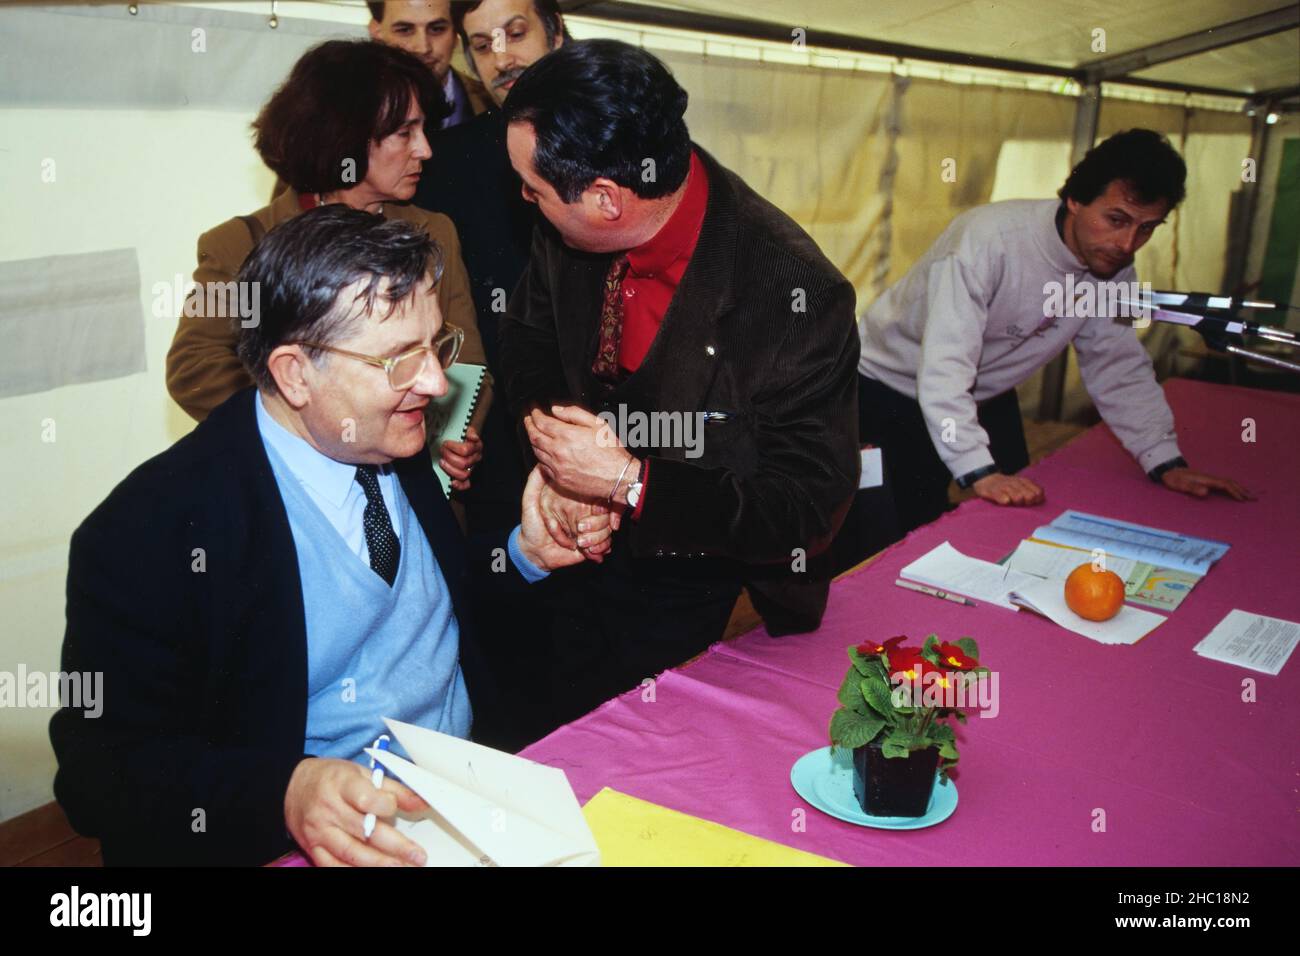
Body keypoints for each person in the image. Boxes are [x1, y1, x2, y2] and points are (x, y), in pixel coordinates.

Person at [50, 206, 609, 867]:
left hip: (470, 806)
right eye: (400, 359)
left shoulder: (387, 436)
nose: (434, 383)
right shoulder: (149, 533)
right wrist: (284, 791)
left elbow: (439, 606)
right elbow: (100, 772)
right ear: (294, 373)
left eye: (437, 344)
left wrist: (522, 554)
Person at [499, 40, 860, 733]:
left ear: (606, 199)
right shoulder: (565, 221)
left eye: (533, 189)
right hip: (573, 555)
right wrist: (557, 451)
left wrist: (632, 484)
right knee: (554, 728)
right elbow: (527, 333)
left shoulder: (794, 292)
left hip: (696, 583)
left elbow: (806, 508)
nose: (523, 198)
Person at [840, 128, 1253, 558]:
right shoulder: (987, 241)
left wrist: (1164, 460)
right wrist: (978, 470)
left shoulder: (1112, 268)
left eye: (1146, 228)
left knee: (1018, 516)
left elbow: (1117, 364)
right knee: (900, 534)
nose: (1127, 244)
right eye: (1116, 220)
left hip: (984, 385)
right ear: (1074, 198)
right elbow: (946, 362)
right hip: (888, 385)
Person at [165, 39, 488, 496]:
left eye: (424, 130)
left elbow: (467, 360)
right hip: (301, 491)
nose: (426, 150)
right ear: (347, 136)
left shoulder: (435, 233)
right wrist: (310, 421)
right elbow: (193, 369)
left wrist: (461, 432)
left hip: (418, 488)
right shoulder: (238, 245)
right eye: (404, 133)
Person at [410, 0, 570, 532]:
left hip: (618, 435)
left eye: (515, 33)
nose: (501, 58)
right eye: (481, 46)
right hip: (492, 444)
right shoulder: (440, 163)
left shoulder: (622, 140)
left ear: (557, 34)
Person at [368, 1, 493, 129]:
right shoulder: (354, 105)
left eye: (437, 29)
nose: (423, 48)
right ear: (376, 31)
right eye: (404, 30)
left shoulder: (493, 102)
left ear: (456, 33)